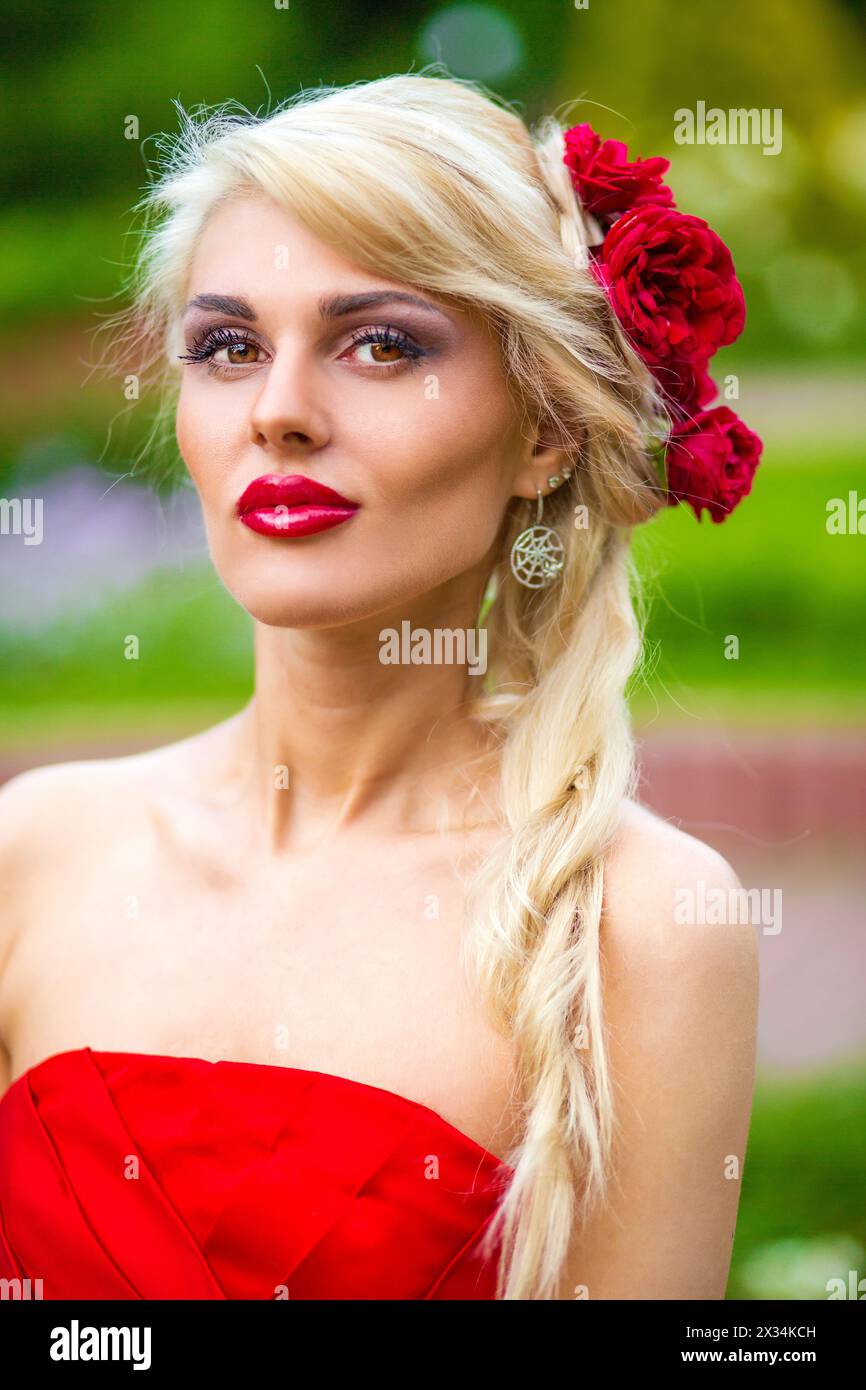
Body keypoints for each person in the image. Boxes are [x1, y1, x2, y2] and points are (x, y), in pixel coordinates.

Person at [0, 71, 759, 1301]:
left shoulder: (640, 925)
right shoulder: (33, 850)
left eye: (381, 343)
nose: (280, 413)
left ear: (543, 432)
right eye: (228, 346)